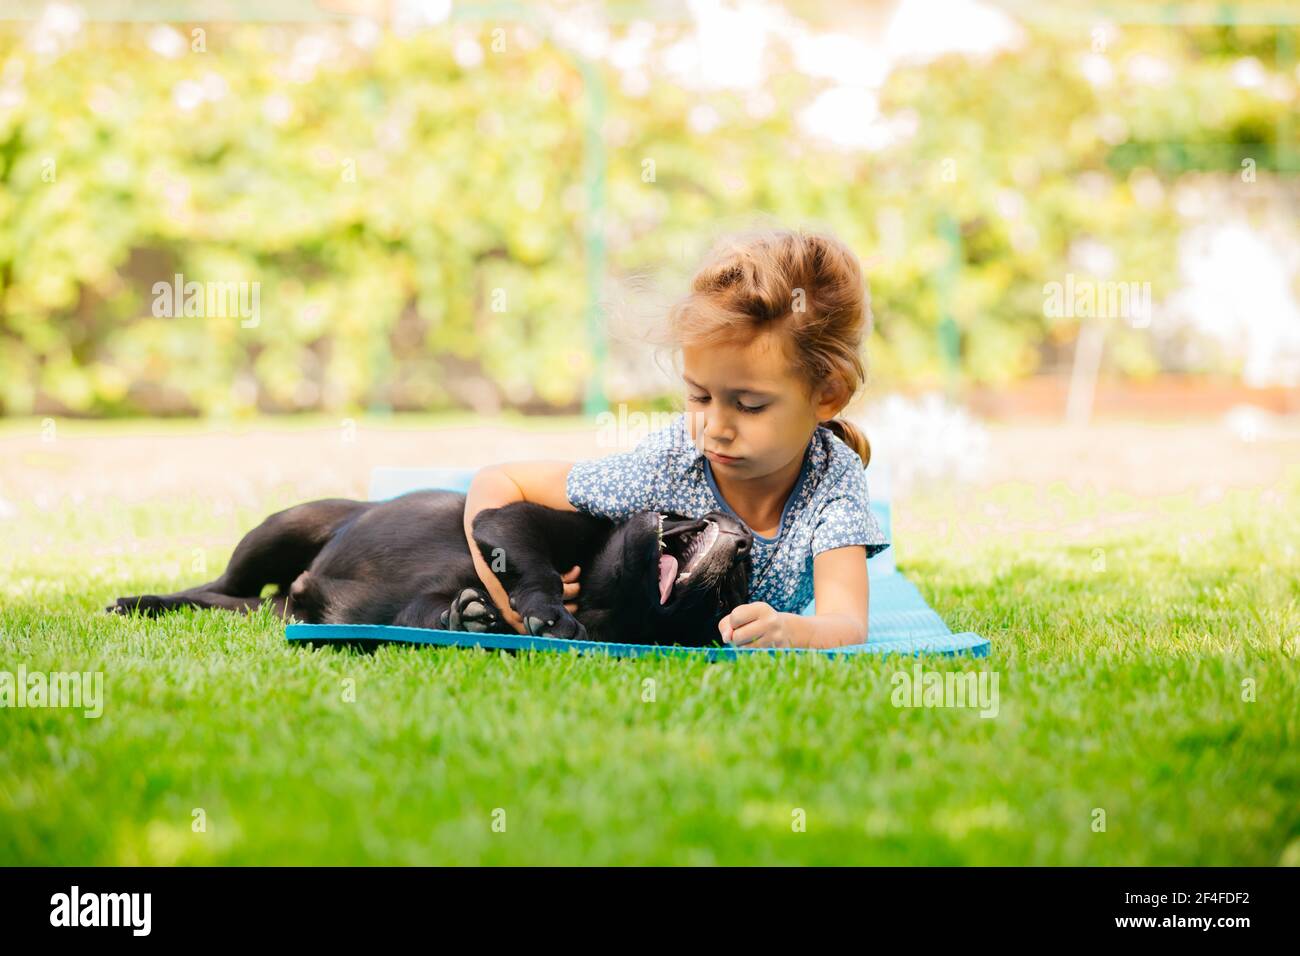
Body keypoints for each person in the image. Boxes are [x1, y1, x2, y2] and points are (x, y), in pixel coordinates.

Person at [463, 226, 889, 648]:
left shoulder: (832, 478)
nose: (716, 428)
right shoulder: (669, 465)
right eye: (699, 396)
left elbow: (846, 621)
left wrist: (791, 631)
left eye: (750, 405)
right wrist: (508, 590)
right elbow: (498, 480)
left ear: (827, 394)